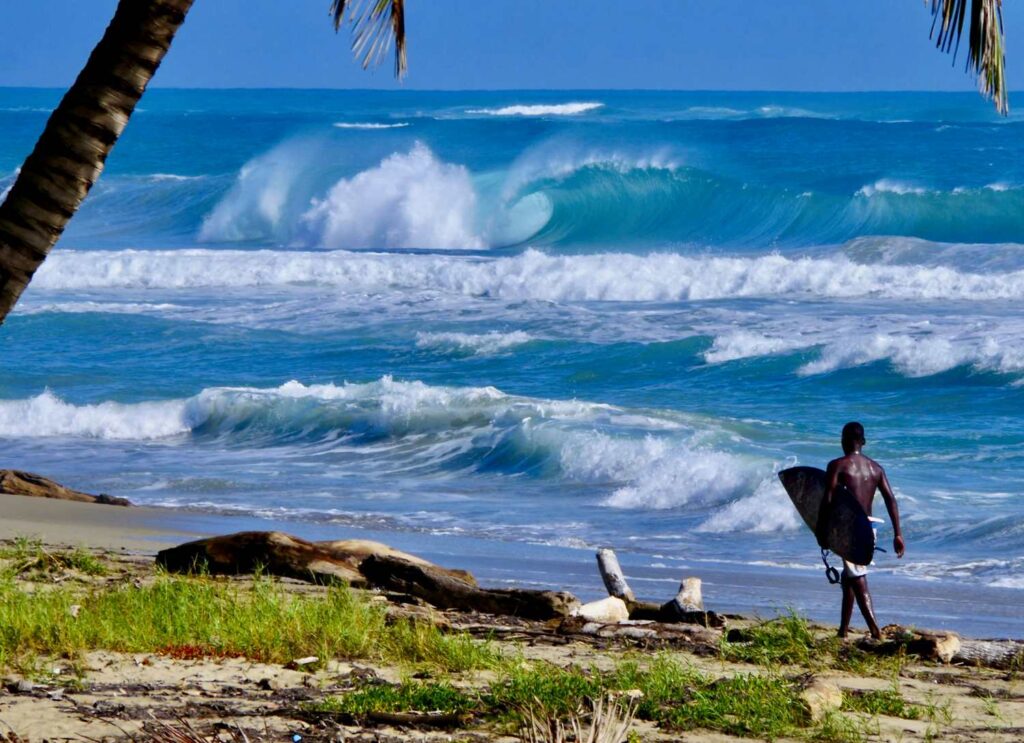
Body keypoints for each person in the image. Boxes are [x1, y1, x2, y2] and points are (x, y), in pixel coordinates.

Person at [817, 422, 905, 639]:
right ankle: (843, 631)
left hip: (850, 527)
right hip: (869, 527)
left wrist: (821, 528)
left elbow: (828, 499)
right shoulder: (876, 468)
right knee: (849, 577)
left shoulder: (837, 465)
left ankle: (875, 629)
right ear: (863, 442)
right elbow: (891, 500)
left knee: (857, 577)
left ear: (844, 440)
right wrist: (898, 534)